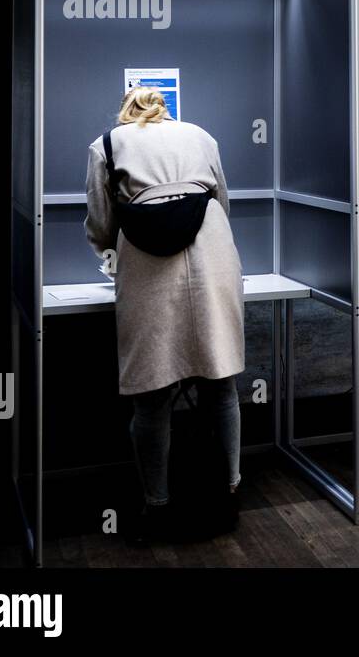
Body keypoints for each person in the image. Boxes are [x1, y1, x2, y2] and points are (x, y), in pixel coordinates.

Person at [84, 87, 244, 540]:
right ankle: (231, 489)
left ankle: (158, 504)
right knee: (221, 382)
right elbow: (222, 201)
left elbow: (100, 220)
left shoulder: (108, 144)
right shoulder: (200, 135)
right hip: (211, 248)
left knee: (151, 392)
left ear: (125, 110)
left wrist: (107, 251)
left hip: (146, 262)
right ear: (166, 108)